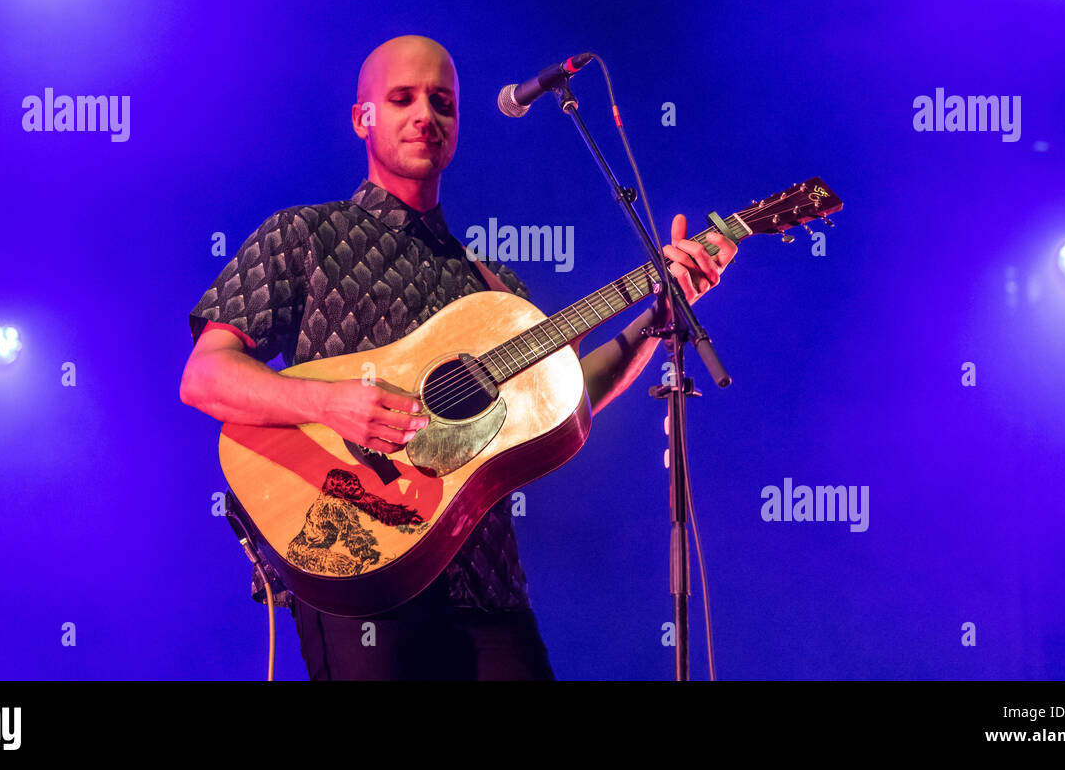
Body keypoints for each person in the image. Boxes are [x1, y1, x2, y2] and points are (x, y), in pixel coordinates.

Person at [180, 35, 736, 679]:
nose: (425, 115)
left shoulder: (492, 288)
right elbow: (206, 375)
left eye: (442, 102)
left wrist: (657, 322)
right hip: (357, 558)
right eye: (401, 99)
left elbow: (567, 400)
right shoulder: (303, 236)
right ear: (363, 118)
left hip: (488, 582)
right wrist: (329, 404)